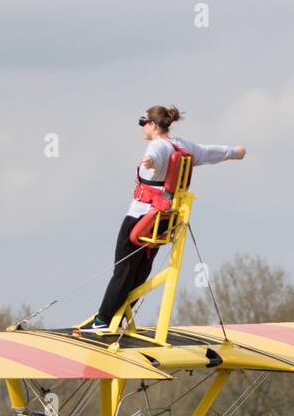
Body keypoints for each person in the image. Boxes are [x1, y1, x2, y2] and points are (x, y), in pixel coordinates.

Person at [80, 105, 245, 333]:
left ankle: (102, 321)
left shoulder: (157, 145)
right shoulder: (183, 145)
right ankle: (118, 318)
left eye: (143, 121)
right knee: (140, 272)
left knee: (123, 271)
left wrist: (150, 161)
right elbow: (208, 153)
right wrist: (234, 152)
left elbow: (155, 155)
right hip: (164, 220)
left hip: (140, 218)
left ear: (154, 125)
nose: (141, 126)